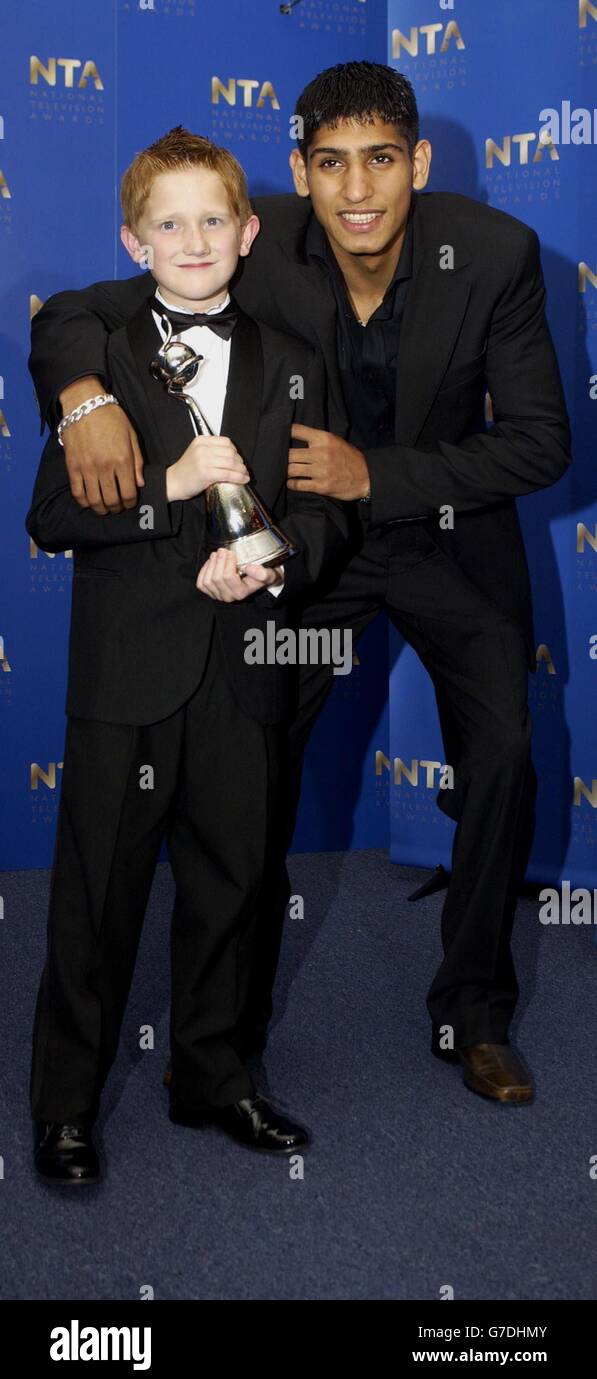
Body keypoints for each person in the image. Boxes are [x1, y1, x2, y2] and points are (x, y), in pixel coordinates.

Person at [29, 62, 572, 1108]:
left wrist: (387, 476)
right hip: (307, 549)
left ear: (418, 162)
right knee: (252, 762)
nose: (356, 189)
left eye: (380, 159)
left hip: (447, 538)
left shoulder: (496, 255)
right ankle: (223, 1036)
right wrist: (83, 393)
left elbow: (542, 442)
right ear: (298, 171)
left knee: (504, 747)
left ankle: (474, 1011)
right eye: (330, 162)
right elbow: (87, 310)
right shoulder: (248, 236)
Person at [27, 126, 348, 1185]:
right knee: (97, 899)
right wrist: (165, 488)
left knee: (236, 884)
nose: (194, 237)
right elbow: (52, 513)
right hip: (128, 677)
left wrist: (273, 562)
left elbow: (323, 509)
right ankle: (66, 1105)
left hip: (247, 667)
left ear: (249, 232)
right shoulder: (102, 357)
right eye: (169, 222)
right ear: (134, 239)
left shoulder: (296, 363)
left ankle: (212, 1075)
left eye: (214, 218)